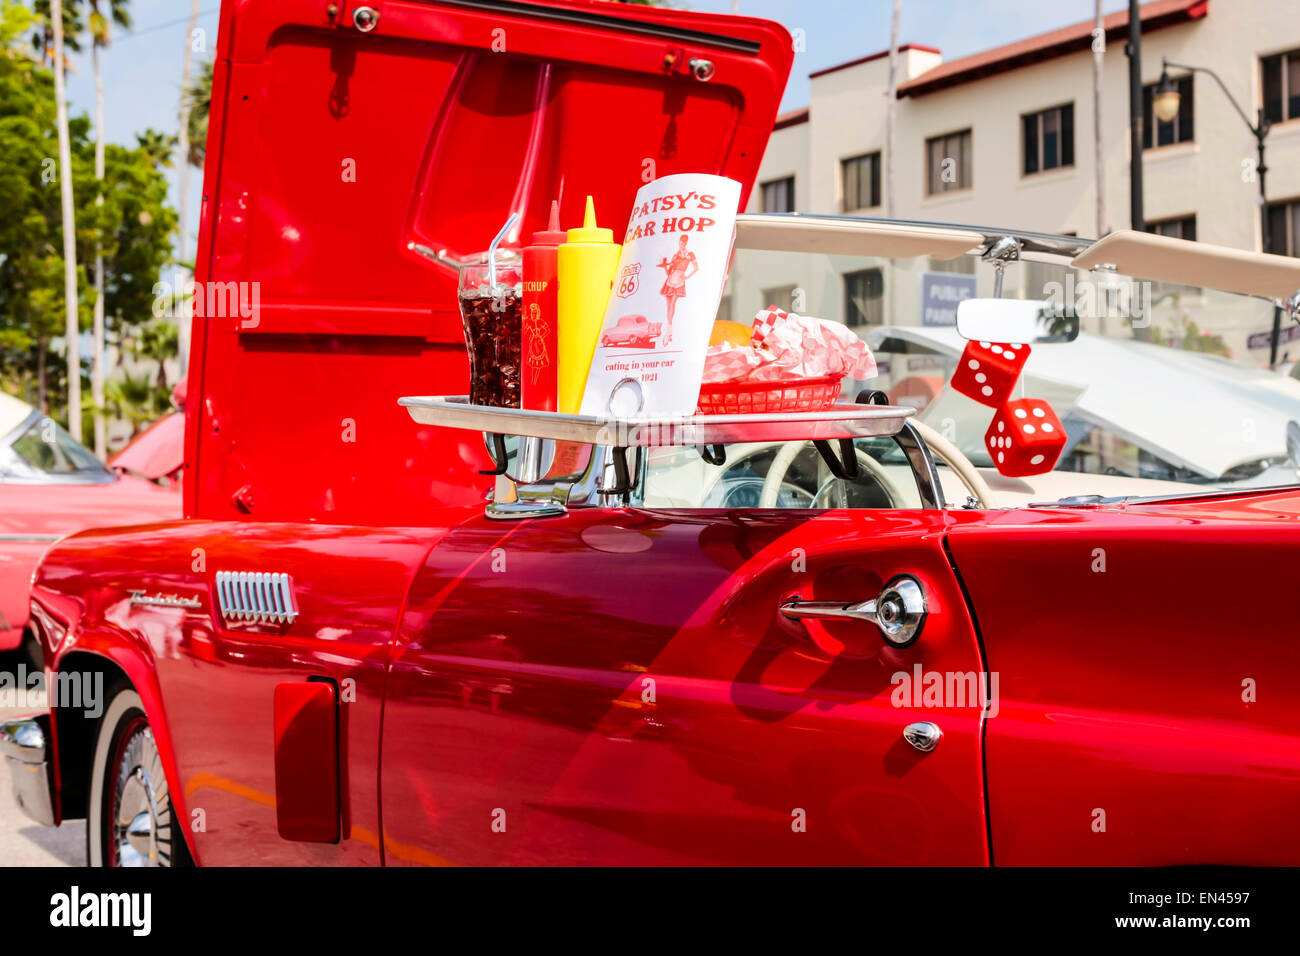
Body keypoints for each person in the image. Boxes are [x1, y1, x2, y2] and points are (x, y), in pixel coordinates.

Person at [656, 234, 698, 346]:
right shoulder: (675, 256)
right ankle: (669, 330)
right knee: (668, 305)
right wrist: (665, 266)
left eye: (684, 243)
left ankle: (669, 331)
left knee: (673, 304)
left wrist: (687, 277)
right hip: (670, 280)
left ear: (686, 243)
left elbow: (696, 268)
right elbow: (669, 271)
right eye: (680, 243)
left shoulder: (690, 254)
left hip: (679, 281)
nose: (682, 245)